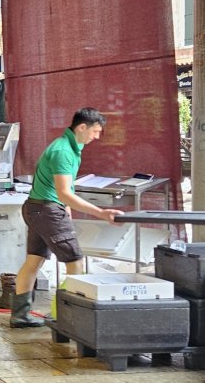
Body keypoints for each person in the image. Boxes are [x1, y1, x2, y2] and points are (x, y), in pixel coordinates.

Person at [8, 108, 122, 327]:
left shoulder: (67, 146)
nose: (96, 137)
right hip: (47, 211)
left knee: (34, 261)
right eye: (95, 132)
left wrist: (66, 210)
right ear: (81, 127)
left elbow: (63, 190)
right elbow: (64, 193)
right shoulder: (63, 151)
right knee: (75, 262)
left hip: (37, 208)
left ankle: (20, 315)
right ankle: (65, 317)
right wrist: (101, 213)